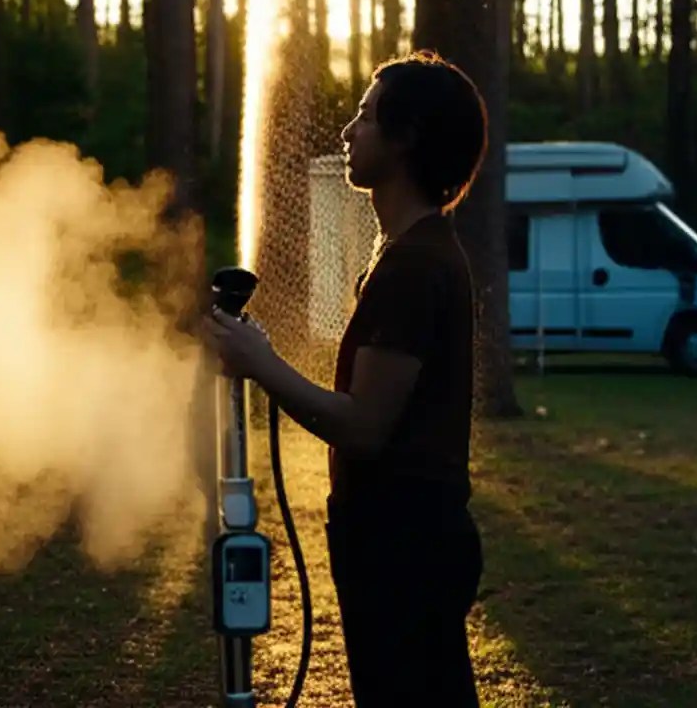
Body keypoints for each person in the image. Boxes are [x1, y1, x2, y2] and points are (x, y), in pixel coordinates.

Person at [201, 50, 486, 706]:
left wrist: (260, 364)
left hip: (404, 544)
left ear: (407, 136)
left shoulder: (414, 266)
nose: (347, 131)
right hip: (397, 536)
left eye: (364, 117)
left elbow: (363, 427)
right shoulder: (406, 253)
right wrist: (259, 355)